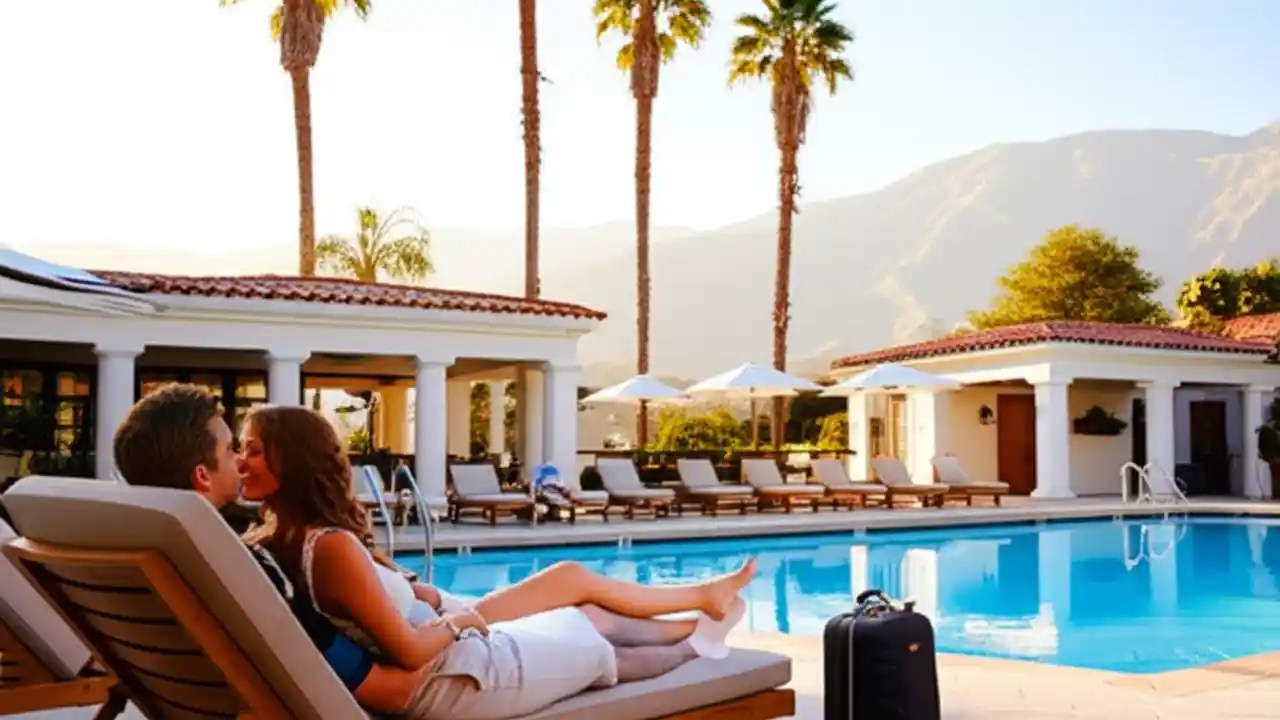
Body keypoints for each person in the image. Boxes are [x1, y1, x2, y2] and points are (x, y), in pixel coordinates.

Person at [238, 405, 755, 720]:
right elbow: (411, 651)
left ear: (293, 459)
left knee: (579, 603)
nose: (243, 460)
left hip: (454, 658)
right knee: (593, 637)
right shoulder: (323, 546)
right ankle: (697, 643)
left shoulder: (278, 539)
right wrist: (458, 621)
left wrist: (424, 597)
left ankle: (701, 615)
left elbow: (368, 615)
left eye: (253, 450)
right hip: (458, 674)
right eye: (241, 450)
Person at [111, 383, 426, 714]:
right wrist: (453, 632)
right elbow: (394, 692)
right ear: (202, 475)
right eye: (232, 448)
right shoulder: (249, 574)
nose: (241, 460)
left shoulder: (151, 563)